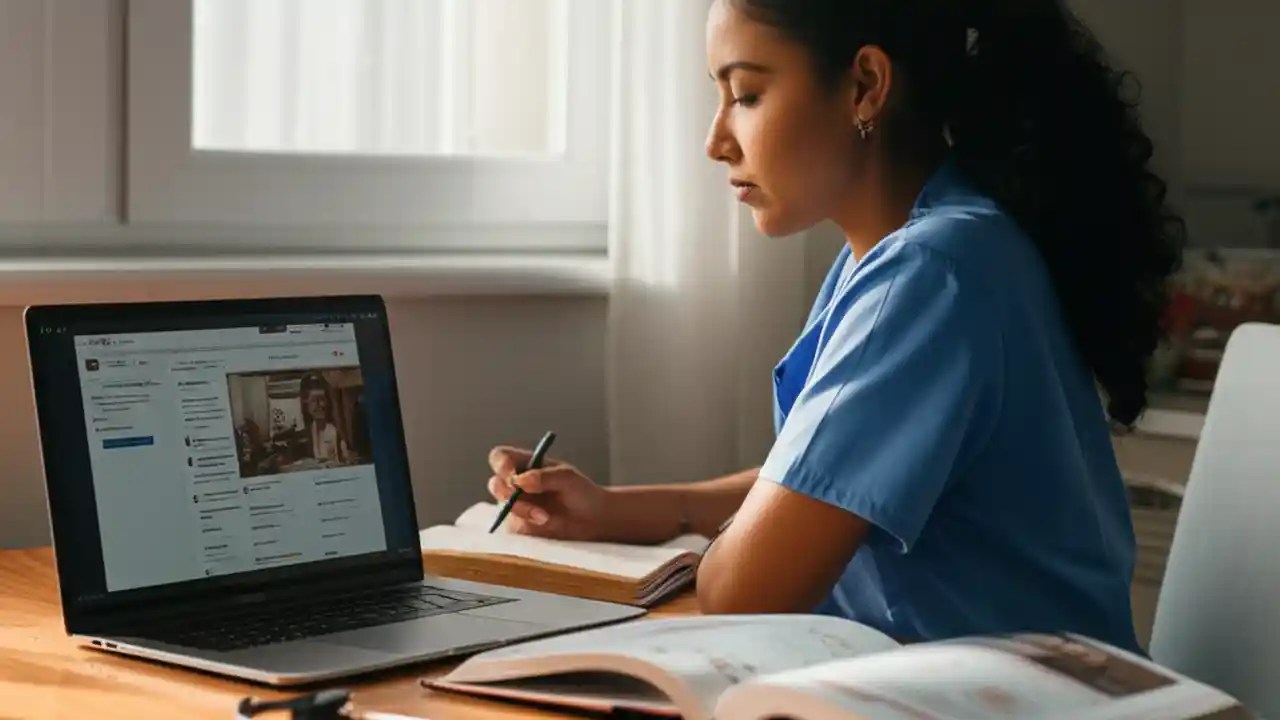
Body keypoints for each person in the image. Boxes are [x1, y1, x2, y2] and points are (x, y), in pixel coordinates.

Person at [486, 0, 1182, 653]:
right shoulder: (925, 248)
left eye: (747, 95)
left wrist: (721, 548)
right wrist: (617, 510)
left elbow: (741, 593)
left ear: (864, 86)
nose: (716, 141)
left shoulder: (931, 271)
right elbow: (832, 479)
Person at [300, 373, 349, 465]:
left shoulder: (336, 432)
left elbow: (345, 461)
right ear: (307, 405)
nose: (320, 405)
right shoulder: (304, 435)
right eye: (314, 401)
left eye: (322, 399)